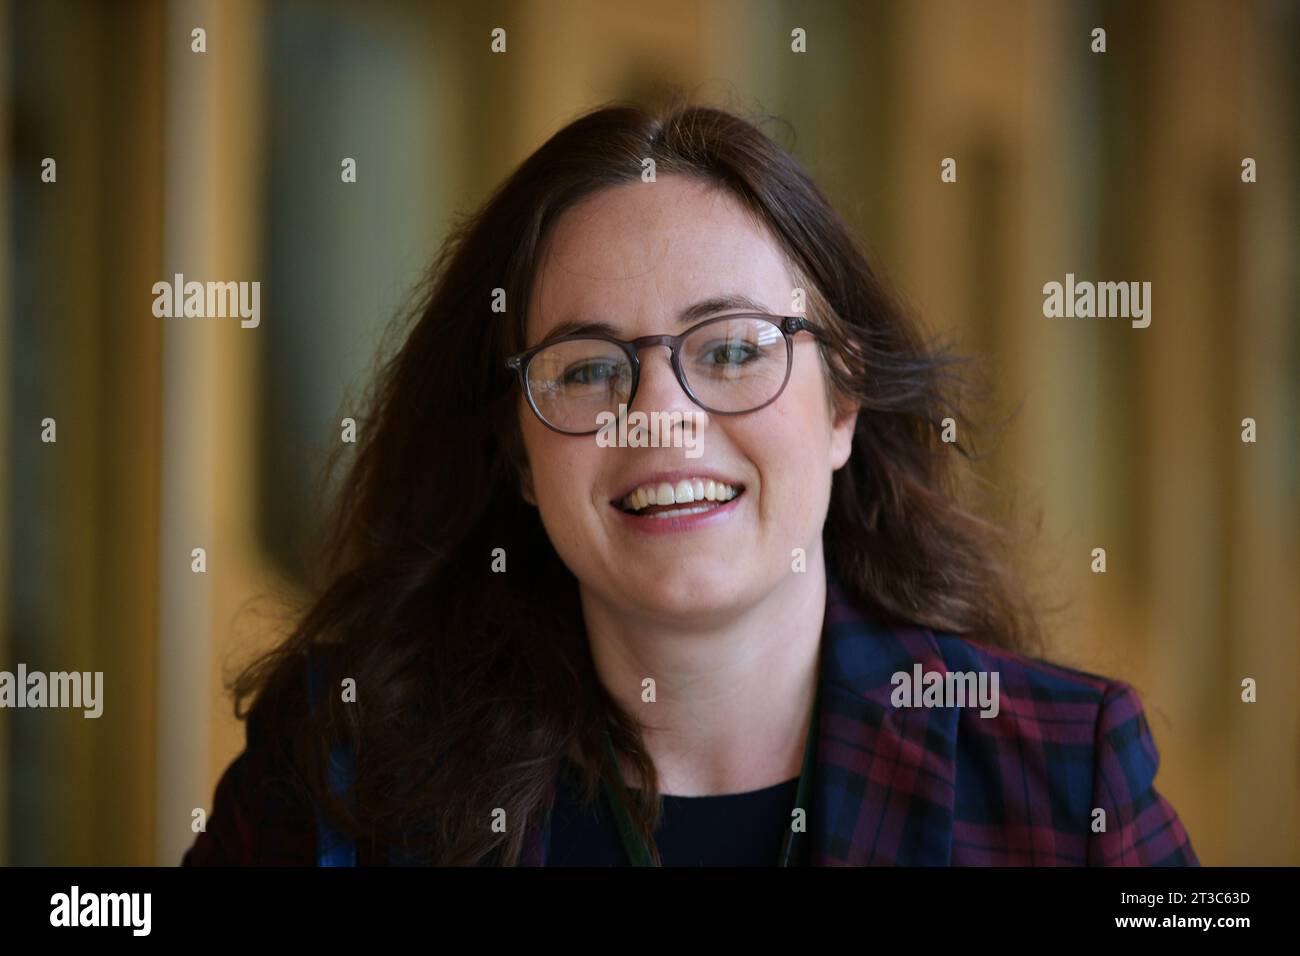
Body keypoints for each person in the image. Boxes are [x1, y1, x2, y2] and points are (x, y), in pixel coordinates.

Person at [183, 100, 1197, 867]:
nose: (663, 416)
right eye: (586, 368)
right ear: (519, 458)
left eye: (733, 349)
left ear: (842, 402)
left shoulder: (1065, 775)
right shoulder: (342, 764)